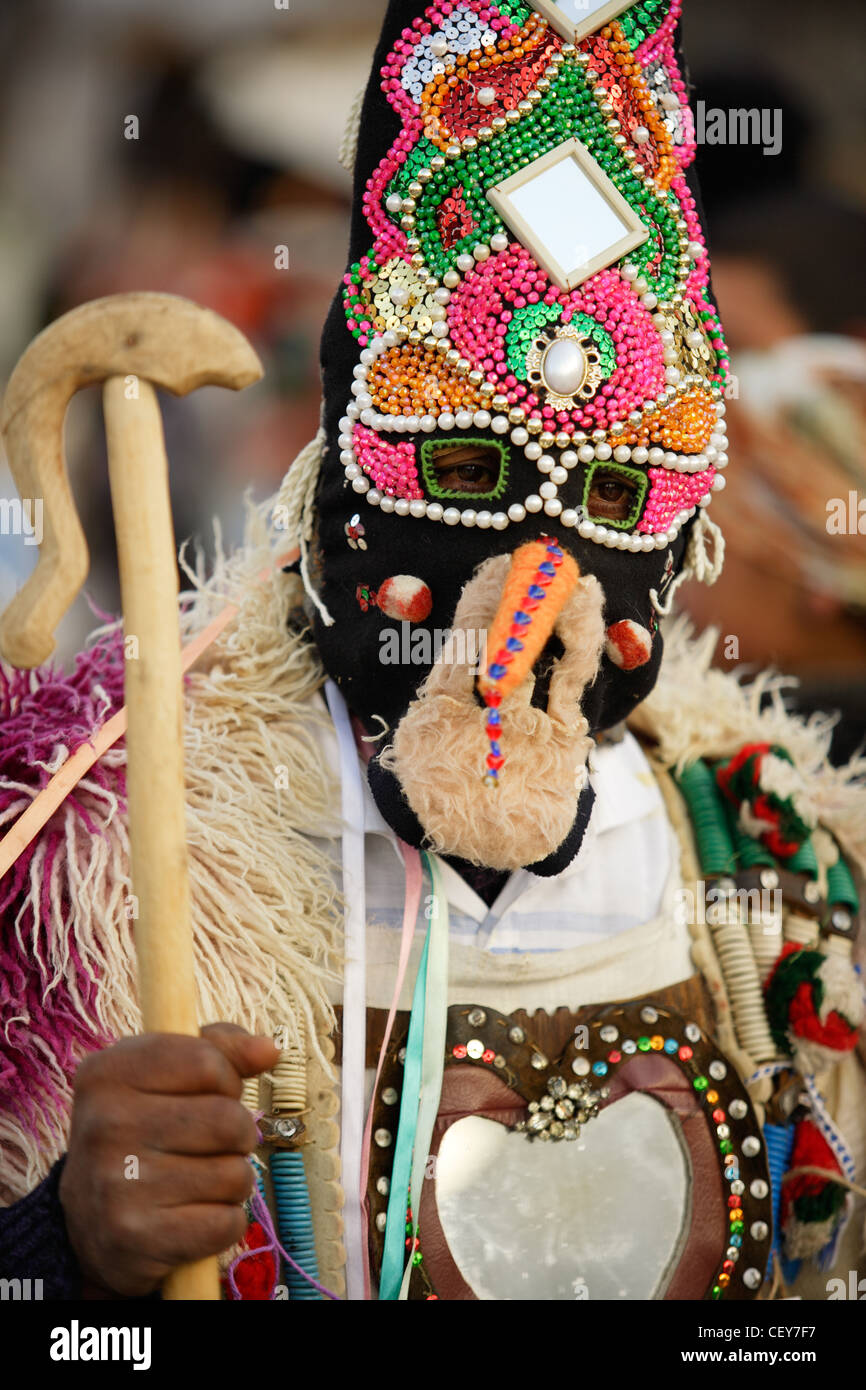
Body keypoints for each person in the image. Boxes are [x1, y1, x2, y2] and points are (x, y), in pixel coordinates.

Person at [1, 0, 863, 1303]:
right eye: (466, 471)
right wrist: (64, 1250)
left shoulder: (778, 852)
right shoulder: (98, 859)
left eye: (615, 500)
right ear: (337, 473)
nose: (536, 584)